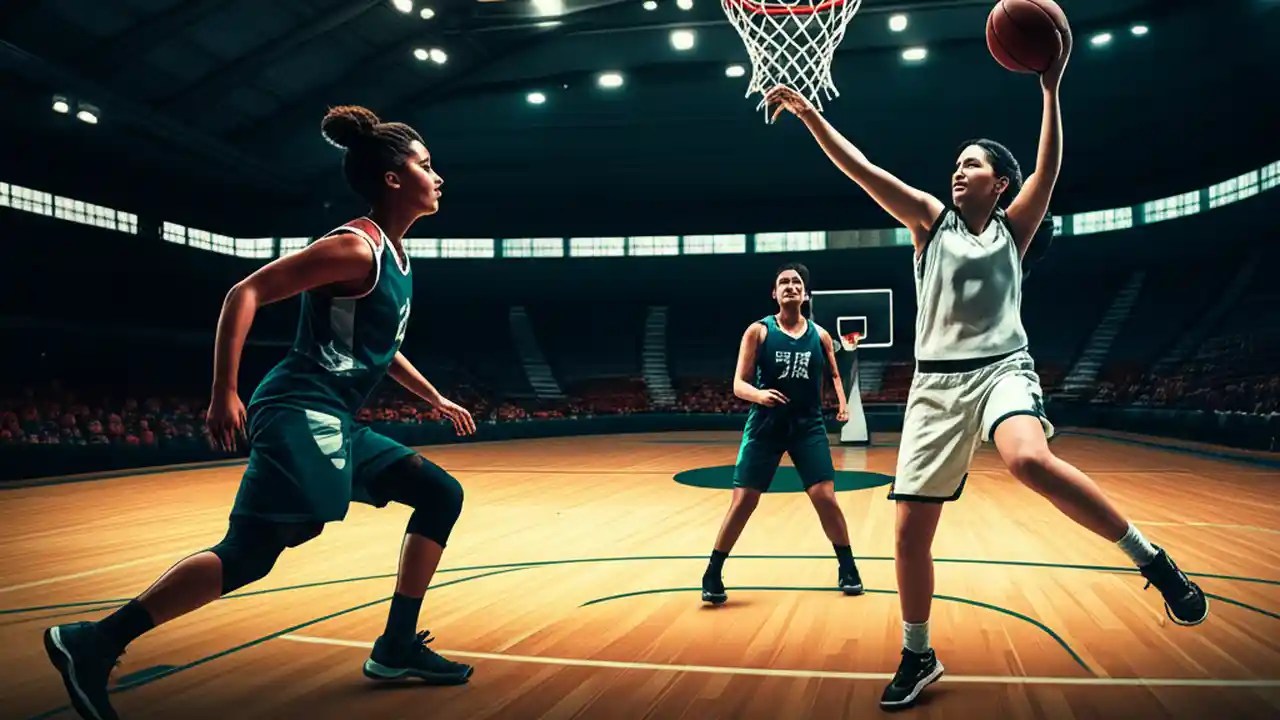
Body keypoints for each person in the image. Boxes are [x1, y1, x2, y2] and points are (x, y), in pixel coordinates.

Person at [766, 20, 1206, 710]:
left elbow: (1050, 167)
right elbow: (863, 170)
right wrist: (810, 114)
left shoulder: (1015, 229)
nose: (957, 170)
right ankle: (919, 654)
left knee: (1028, 460)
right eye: (956, 163)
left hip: (1003, 367)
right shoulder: (928, 221)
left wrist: (1051, 88)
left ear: (1001, 183)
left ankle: (1152, 559)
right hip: (935, 387)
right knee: (909, 533)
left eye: (973, 164)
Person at [44, 105, 479, 720]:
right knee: (255, 548)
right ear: (391, 178)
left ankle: (396, 645)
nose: (438, 177)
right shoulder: (354, 248)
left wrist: (433, 397)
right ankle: (93, 643)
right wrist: (224, 390)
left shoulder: (396, 257)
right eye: (426, 166)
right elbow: (243, 291)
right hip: (299, 406)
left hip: (336, 418)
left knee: (439, 495)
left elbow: (383, 349)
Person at [702, 262, 864, 605]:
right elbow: (738, 384)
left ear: (805, 294)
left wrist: (842, 404)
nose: (790, 286)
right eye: (783, 282)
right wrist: (759, 395)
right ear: (775, 294)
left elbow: (835, 373)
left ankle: (848, 567)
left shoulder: (820, 335)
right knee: (743, 500)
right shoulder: (758, 331)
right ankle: (713, 571)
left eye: (796, 282)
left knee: (824, 496)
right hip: (766, 425)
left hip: (808, 425)